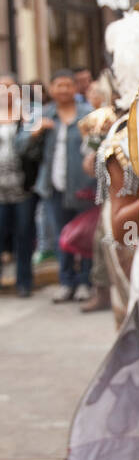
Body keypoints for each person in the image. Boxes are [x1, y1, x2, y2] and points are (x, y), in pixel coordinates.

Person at [29, 68, 95, 301]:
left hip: (84, 186)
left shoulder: (88, 114)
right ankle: (67, 282)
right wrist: (34, 133)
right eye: (59, 85)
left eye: (68, 85)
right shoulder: (43, 114)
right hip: (53, 186)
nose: (64, 89)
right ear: (52, 89)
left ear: (75, 88)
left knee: (85, 235)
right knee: (61, 236)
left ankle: (86, 282)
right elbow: (21, 147)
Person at [0, 78, 39, 297]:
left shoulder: (27, 116)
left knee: (24, 236)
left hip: (22, 188)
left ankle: (24, 281)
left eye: (9, 87)